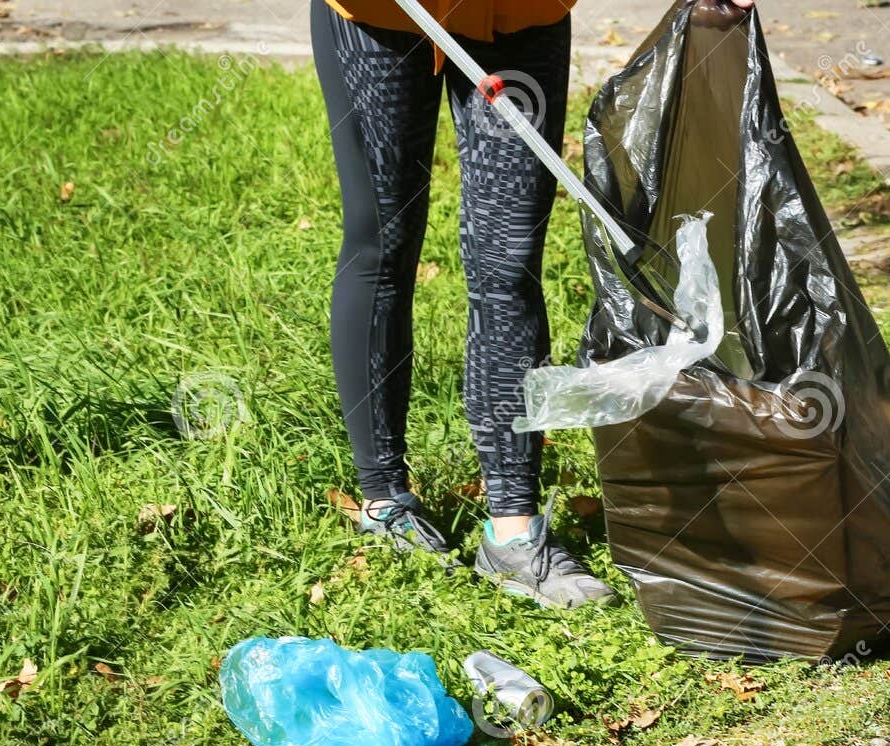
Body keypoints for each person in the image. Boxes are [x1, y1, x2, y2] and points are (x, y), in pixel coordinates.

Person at [311, 0, 754, 609]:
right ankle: (384, 497)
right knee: (382, 242)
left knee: (508, 260)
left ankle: (513, 531)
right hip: (375, 19)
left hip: (518, 14)